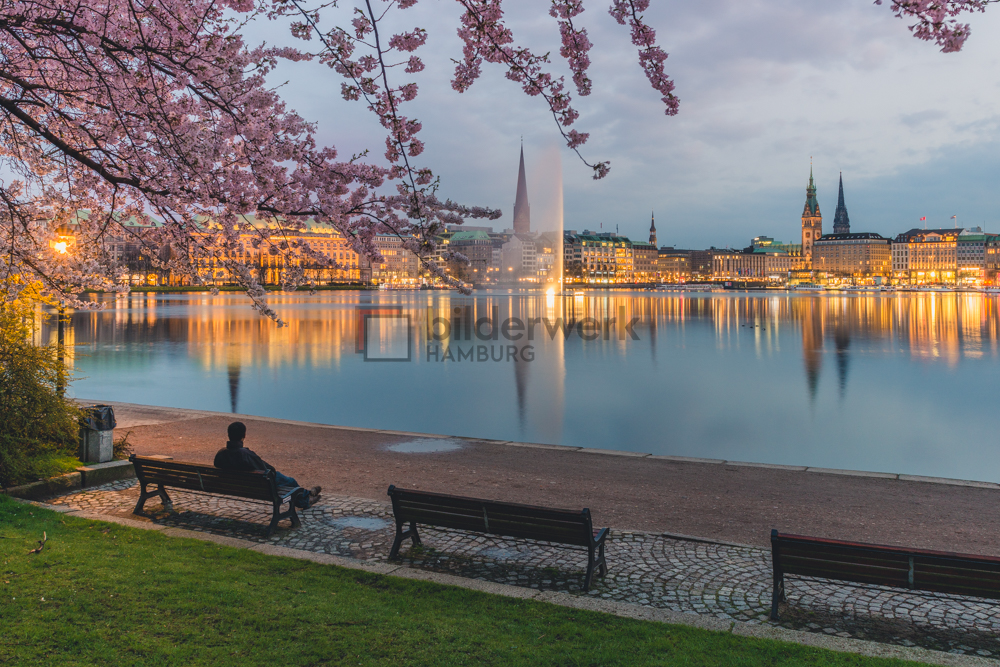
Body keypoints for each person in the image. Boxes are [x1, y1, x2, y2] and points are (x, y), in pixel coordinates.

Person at [214, 421, 321, 509]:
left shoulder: (220, 454)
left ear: (229, 435)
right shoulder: (245, 455)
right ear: (244, 436)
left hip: (236, 485)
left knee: (283, 480)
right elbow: (267, 470)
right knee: (290, 482)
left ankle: (307, 496)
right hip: (260, 485)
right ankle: (307, 497)